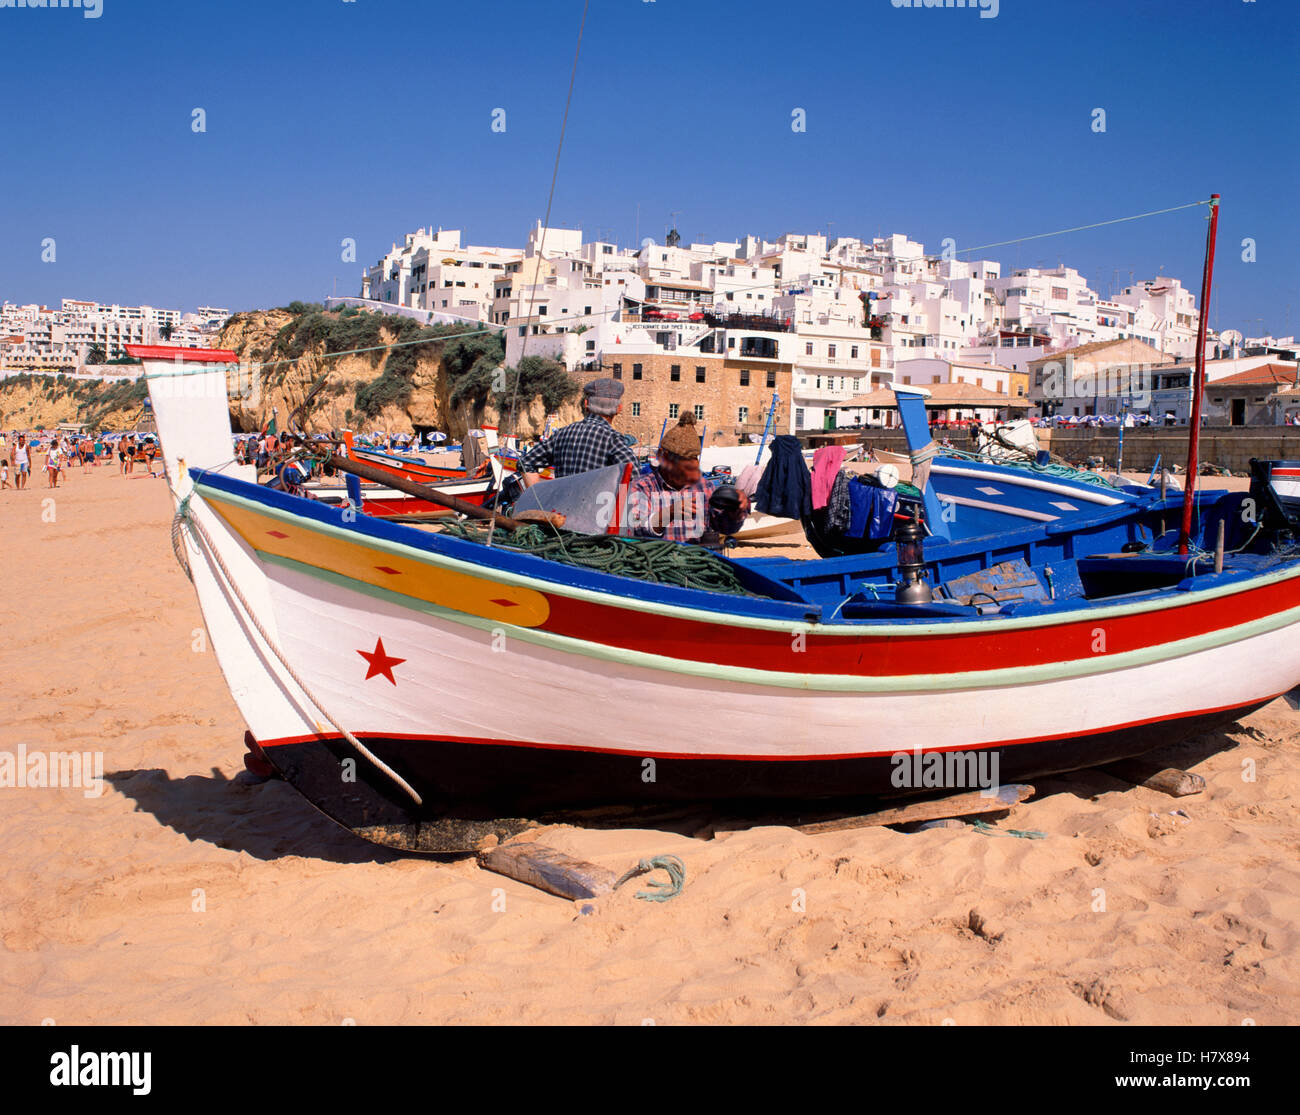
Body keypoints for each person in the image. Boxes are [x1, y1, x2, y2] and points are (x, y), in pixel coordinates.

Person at [627, 412, 749, 543]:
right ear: (663, 457)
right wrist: (668, 514)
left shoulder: (704, 487)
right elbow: (634, 529)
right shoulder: (641, 487)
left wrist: (735, 512)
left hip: (695, 560)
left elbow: (725, 527)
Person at [517, 378, 637, 487]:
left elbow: (525, 463)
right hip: (594, 509)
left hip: (558, 510)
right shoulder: (613, 439)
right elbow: (634, 474)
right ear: (619, 408)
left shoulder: (561, 434)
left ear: (586, 404)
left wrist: (541, 502)